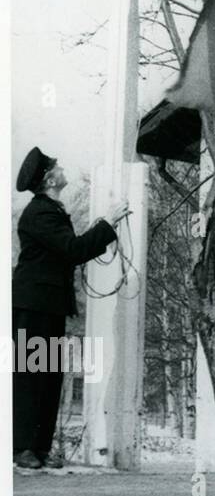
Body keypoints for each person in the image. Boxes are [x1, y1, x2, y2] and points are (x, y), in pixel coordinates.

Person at [12, 147, 128, 470]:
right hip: (33, 306)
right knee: (30, 375)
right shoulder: (40, 213)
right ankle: (22, 447)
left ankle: (39, 448)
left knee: (48, 375)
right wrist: (109, 223)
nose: (62, 168)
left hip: (45, 305)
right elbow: (72, 249)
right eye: (56, 167)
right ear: (49, 178)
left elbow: (68, 249)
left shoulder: (49, 211)